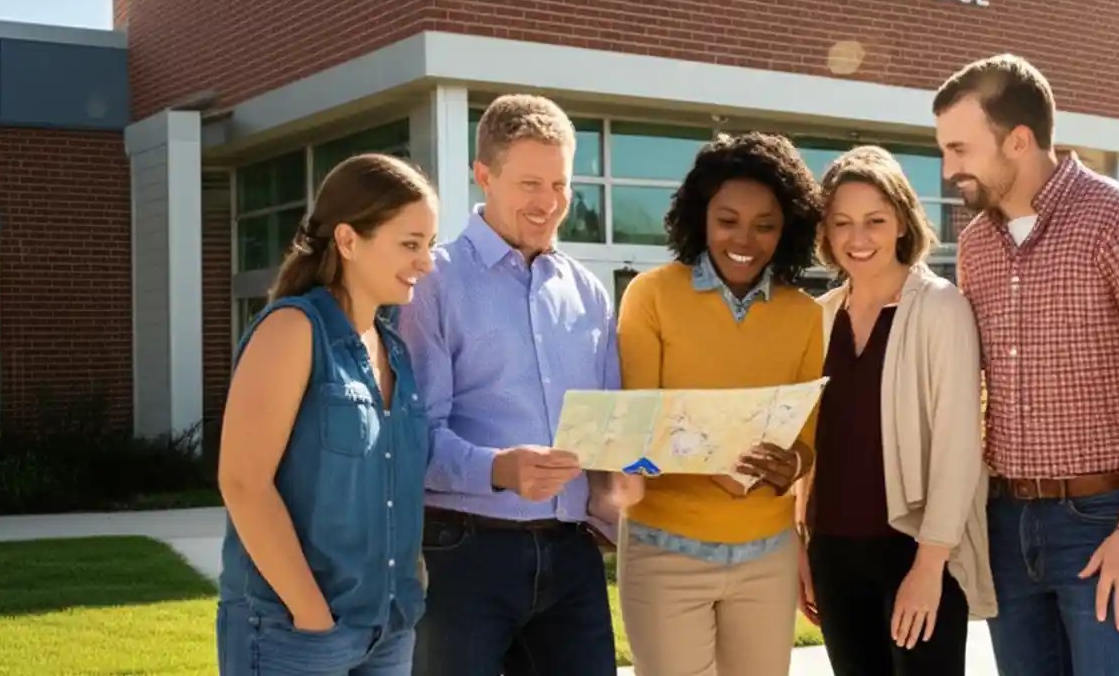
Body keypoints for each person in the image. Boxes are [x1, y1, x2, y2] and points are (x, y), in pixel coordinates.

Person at [934, 54, 1119, 675]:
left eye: (960, 148)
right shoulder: (977, 243)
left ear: (1018, 140)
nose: (949, 168)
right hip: (1007, 523)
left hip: (1104, 523)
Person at [399, 94, 624, 676]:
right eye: (529, 183)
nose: (549, 204)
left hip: (572, 555)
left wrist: (623, 485)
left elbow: (608, 433)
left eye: (561, 184)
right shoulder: (432, 283)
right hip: (463, 554)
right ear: (484, 175)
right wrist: (500, 469)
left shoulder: (591, 293)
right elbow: (413, 439)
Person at [215, 153, 440, 676]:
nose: (426, 262)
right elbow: (243, 481)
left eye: (429, 244)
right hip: (294, 635)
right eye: (410, 244)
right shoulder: (293, 330)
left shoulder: (393, 347)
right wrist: (311, 613)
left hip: (387, 627)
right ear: (347, 240)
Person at [613, 131, 824, 676]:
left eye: (766, 225)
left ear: (790, 228)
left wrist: (792, 465)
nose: (745, 240)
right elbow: (637, 431)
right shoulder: (651, 295)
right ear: (700, 216)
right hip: (665, 552)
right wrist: (716, 465)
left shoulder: (804, 315)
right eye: (727, 220)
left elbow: (806, 440)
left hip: (767, 558)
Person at [793, 145, 997, 676]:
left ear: (902, 222)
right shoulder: (819, 317)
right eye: (842, 223)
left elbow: (959, 445)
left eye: (874, 221)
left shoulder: (940, 307)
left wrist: (930, 567)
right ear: (826, 233)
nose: (858, 239)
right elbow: (804, 446)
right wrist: (801, 546)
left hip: (916, 551)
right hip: (834, 554)